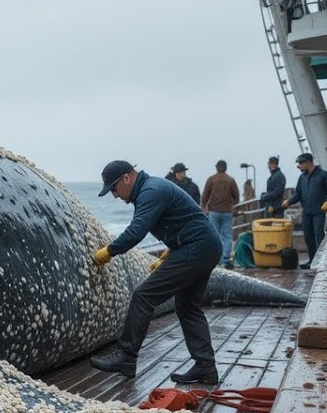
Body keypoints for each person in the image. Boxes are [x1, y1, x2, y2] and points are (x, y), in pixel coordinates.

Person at [89, 160, 223, 384]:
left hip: (197, 248)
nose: (114, 195)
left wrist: (109, 251)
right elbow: (184, 219)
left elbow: (136, 231)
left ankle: (126, 356)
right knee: (187, 306)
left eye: (113, 188)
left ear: (127, 178)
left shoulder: (150, 192)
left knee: (143, 296)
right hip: (205, 246)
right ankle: (206, 367)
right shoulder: (152, 188)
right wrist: (170, 252)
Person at [283, 153, 327, 268]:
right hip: (306, 212)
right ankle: (312, 261)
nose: (299, 166)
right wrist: (289, 201)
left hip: (319, 211)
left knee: (319, 236)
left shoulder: (323, 175)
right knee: (308, 237)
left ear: (308, 162)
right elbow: (298, 193)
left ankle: (322, 261)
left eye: (301, 163)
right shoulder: (302, 177)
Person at [201, 160, 240, 269]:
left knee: (215, 235)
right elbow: (236, 196)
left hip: (214, 212)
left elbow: (204, 195)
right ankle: (225, 259)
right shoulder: (230, 180)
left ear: (217, 168)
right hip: (227, 212)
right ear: (226, 168)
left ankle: (216, 258)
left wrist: (204, 207)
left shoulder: (211, 179)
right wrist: (232, 205)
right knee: (227, 236)